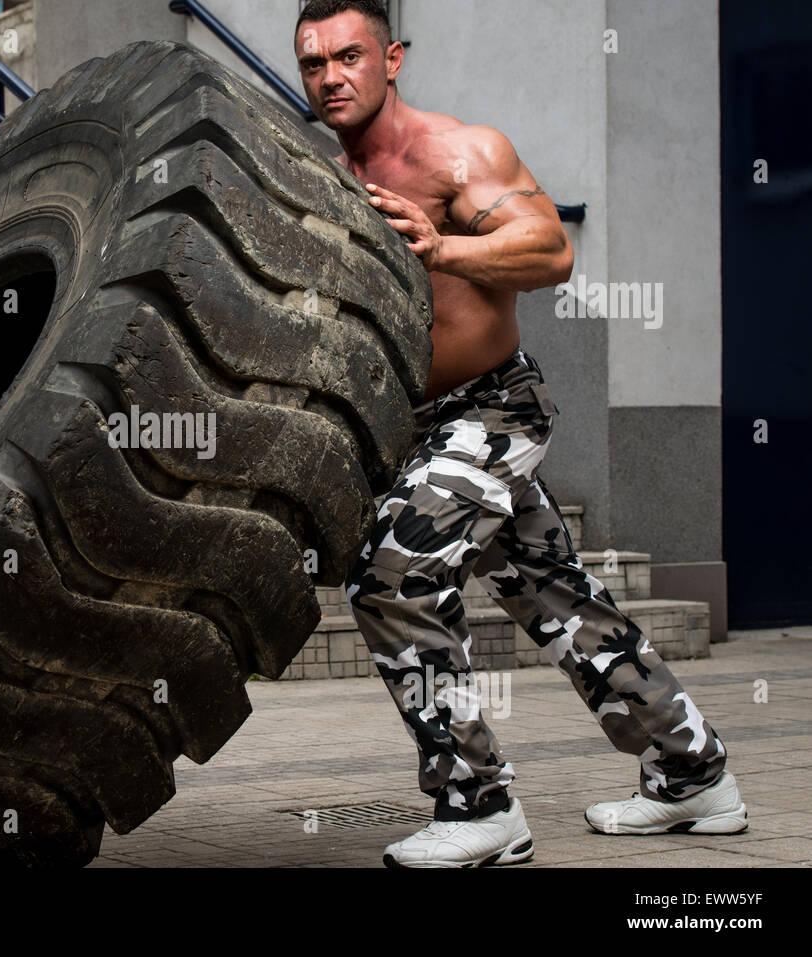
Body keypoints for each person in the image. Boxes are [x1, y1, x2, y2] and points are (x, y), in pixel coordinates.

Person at [292, 0, 747, 867]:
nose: (330, 78)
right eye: (313, 64)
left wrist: (445, 249)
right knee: (560, 600)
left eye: (348, 57)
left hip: (493, 407)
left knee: (394, 574)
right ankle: (695, 776)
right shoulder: (321, 174)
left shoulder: (461, 151)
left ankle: (480, 805)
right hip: (411, 429)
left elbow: (549, 251)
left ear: (393, 57)